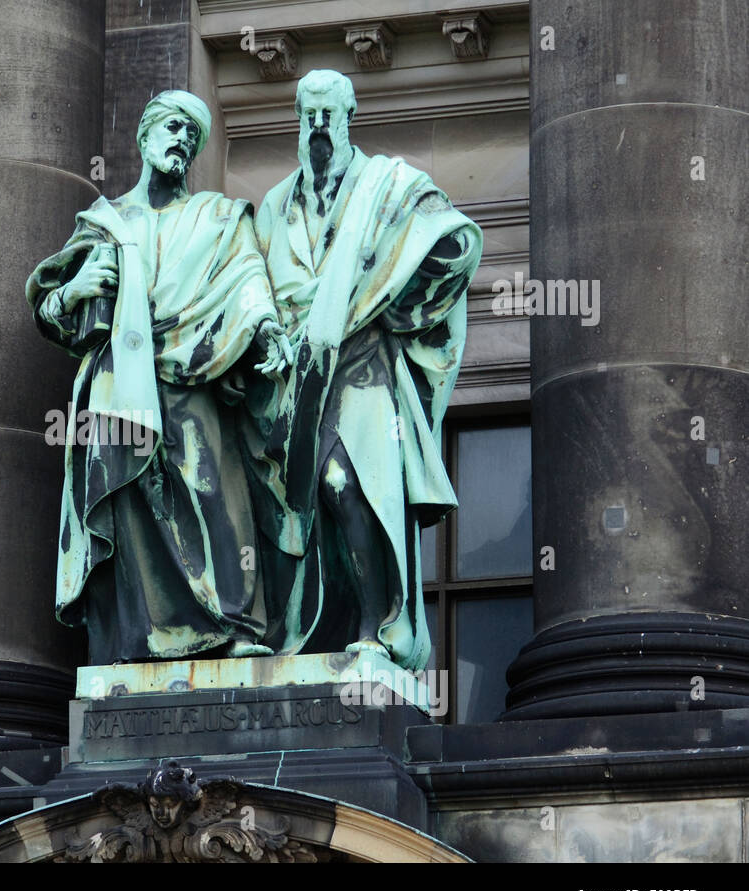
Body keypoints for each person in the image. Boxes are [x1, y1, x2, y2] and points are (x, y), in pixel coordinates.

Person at [26, 90, 292, 665]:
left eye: (192, 138)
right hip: (118, 382)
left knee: (211, 491)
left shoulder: (218, 218)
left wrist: (267, 328)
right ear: (144, 137)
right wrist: (74, 291)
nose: (181, 142)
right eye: (173, 129)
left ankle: (233, 626)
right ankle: (138, 640)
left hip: (194, 379)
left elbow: (247, 278)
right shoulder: (104, 221)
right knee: (128, 503)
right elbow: (53, 308)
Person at [245, 70, 482, 671]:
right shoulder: (275, 204)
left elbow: (454, 241)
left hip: (363, 366)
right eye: (309, 115)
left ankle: (380, 625)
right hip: (295, 379)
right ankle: (302, 632)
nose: (319, 126)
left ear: (350, 117)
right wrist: (268, 333)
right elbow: (256, 286)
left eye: (330, 114)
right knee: (290, 503)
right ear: (298, 122)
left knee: (347, 482)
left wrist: (380, 297)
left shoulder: (390, 184)